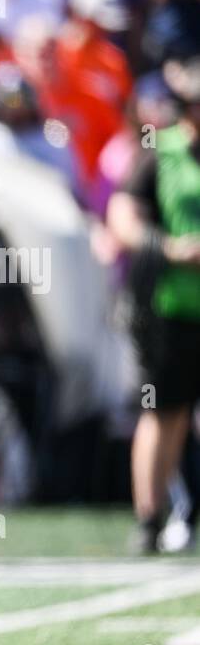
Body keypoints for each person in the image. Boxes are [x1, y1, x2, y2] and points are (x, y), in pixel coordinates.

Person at [106, 56, 200, 555]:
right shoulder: (158, 151)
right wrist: (168, 248)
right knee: (165, 411)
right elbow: (122, 215)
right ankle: (149, 517)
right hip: (171, 304)